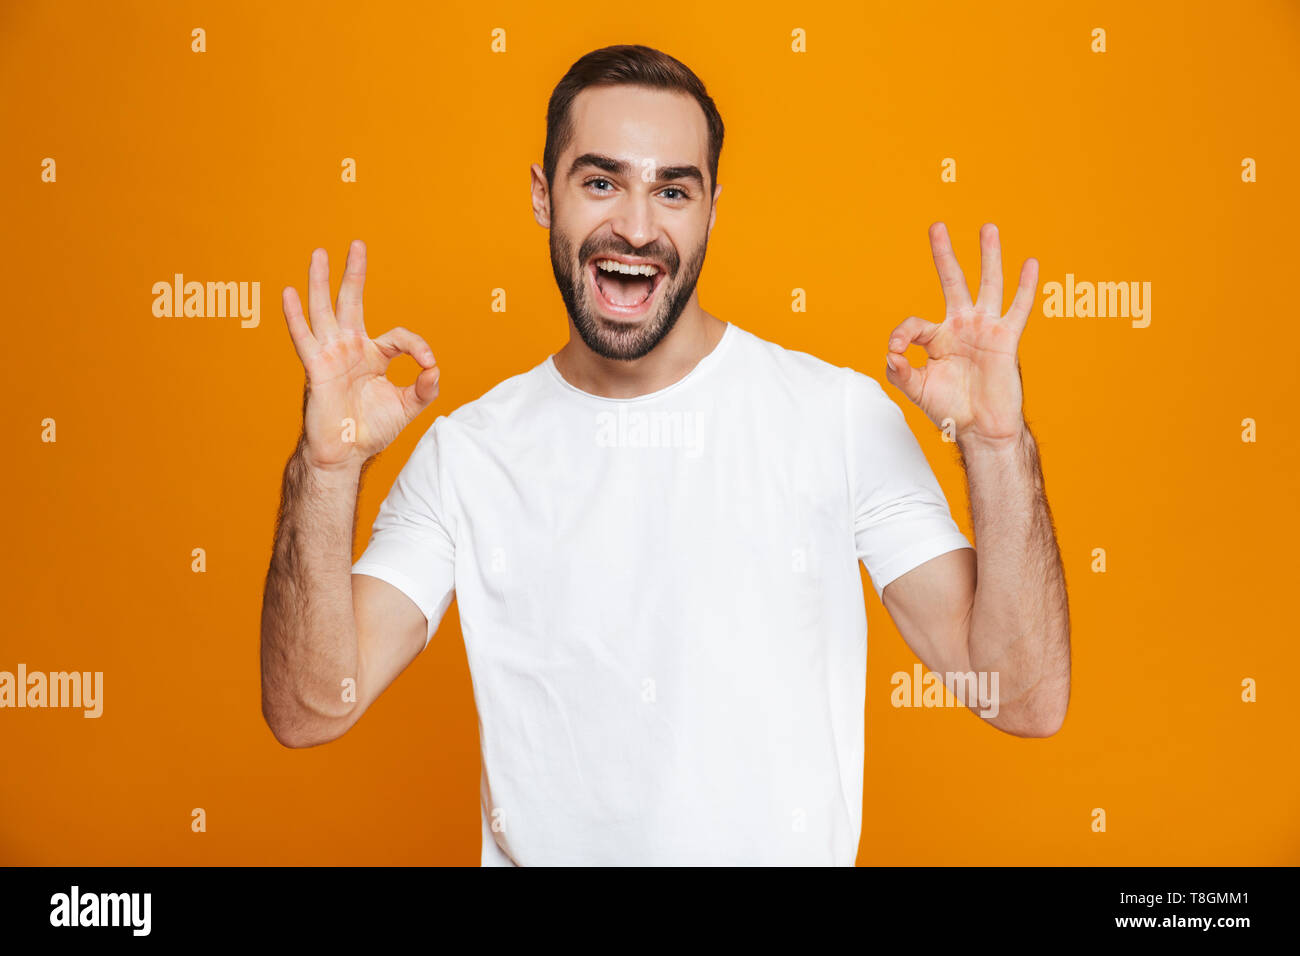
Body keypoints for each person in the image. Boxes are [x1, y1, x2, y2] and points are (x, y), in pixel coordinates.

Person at [259, 44, 1070, 866]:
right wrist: (325, 472)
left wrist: (998, 448)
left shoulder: (836, 418)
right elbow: (310, 709)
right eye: (601, 182)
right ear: (545, 196)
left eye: (673, 190)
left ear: (712, 208)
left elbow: (1023, 698)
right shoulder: (467, 455)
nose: (637, 228)